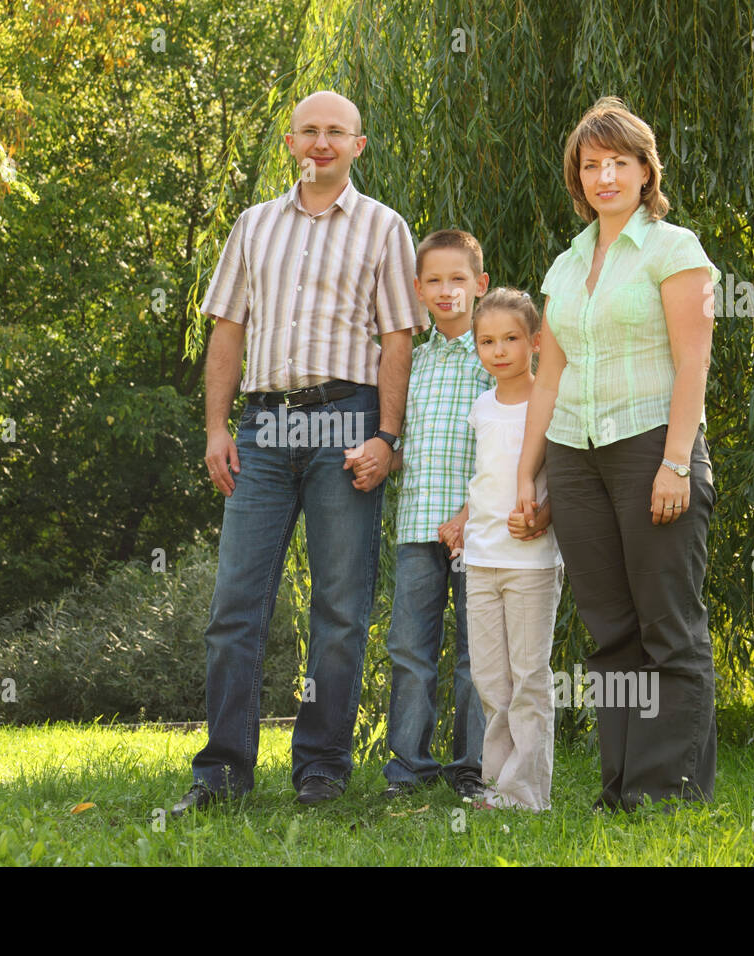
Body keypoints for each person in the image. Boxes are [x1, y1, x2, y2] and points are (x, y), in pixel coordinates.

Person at [172, 90, 427, 815]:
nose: (321, 143)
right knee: (234, 605)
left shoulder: (384, 228)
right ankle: (221, 772)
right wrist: (217, 428)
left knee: (340, 609)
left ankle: (321, 768)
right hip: (262, 426)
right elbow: (227, 328)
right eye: (309, 132)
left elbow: (398, 339)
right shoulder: (253, 226)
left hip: (345, 423)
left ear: (358, 145)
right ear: (290, 143)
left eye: (335, 133)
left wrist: (386, 435)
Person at [512, 96, 720, 813]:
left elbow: (694, 364)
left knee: (667, 625)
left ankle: (667, 792)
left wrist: (675, 461)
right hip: (575, 457)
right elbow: (549, 378)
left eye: (619, 163)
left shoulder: (674, 249)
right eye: (591, 164)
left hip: (650, 447)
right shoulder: (566, 265)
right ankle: (620, 789)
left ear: (644, 171)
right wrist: (528, 475)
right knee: (610, 631)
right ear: (578, 176)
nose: (605, 176)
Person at [378, 231, 553, 802]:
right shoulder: (413, 360)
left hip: (477, 530)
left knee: (479, 658)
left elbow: (502, 451)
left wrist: (465, 513)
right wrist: (383, 456)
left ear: (479, 285)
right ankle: (408, 767)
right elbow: (418, 439)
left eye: (458, 279)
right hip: (416, 523)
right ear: (418, 289)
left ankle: (473, 769)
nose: (446, 290)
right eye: (434, 280)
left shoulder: (491, 357)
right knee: (409, 646)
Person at [460, 288, 564, 810]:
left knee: (529, 680)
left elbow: (567, 480)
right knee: (490, 681)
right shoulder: (480, 407)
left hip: (531, 562)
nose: (498, 350)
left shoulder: (552, 403)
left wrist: (543, 517)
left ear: (536, 342)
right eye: (486, 341)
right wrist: (462, 521)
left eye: (510, 339)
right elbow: (482, 478)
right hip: (479, 562)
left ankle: (526, 794)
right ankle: (497, 784)